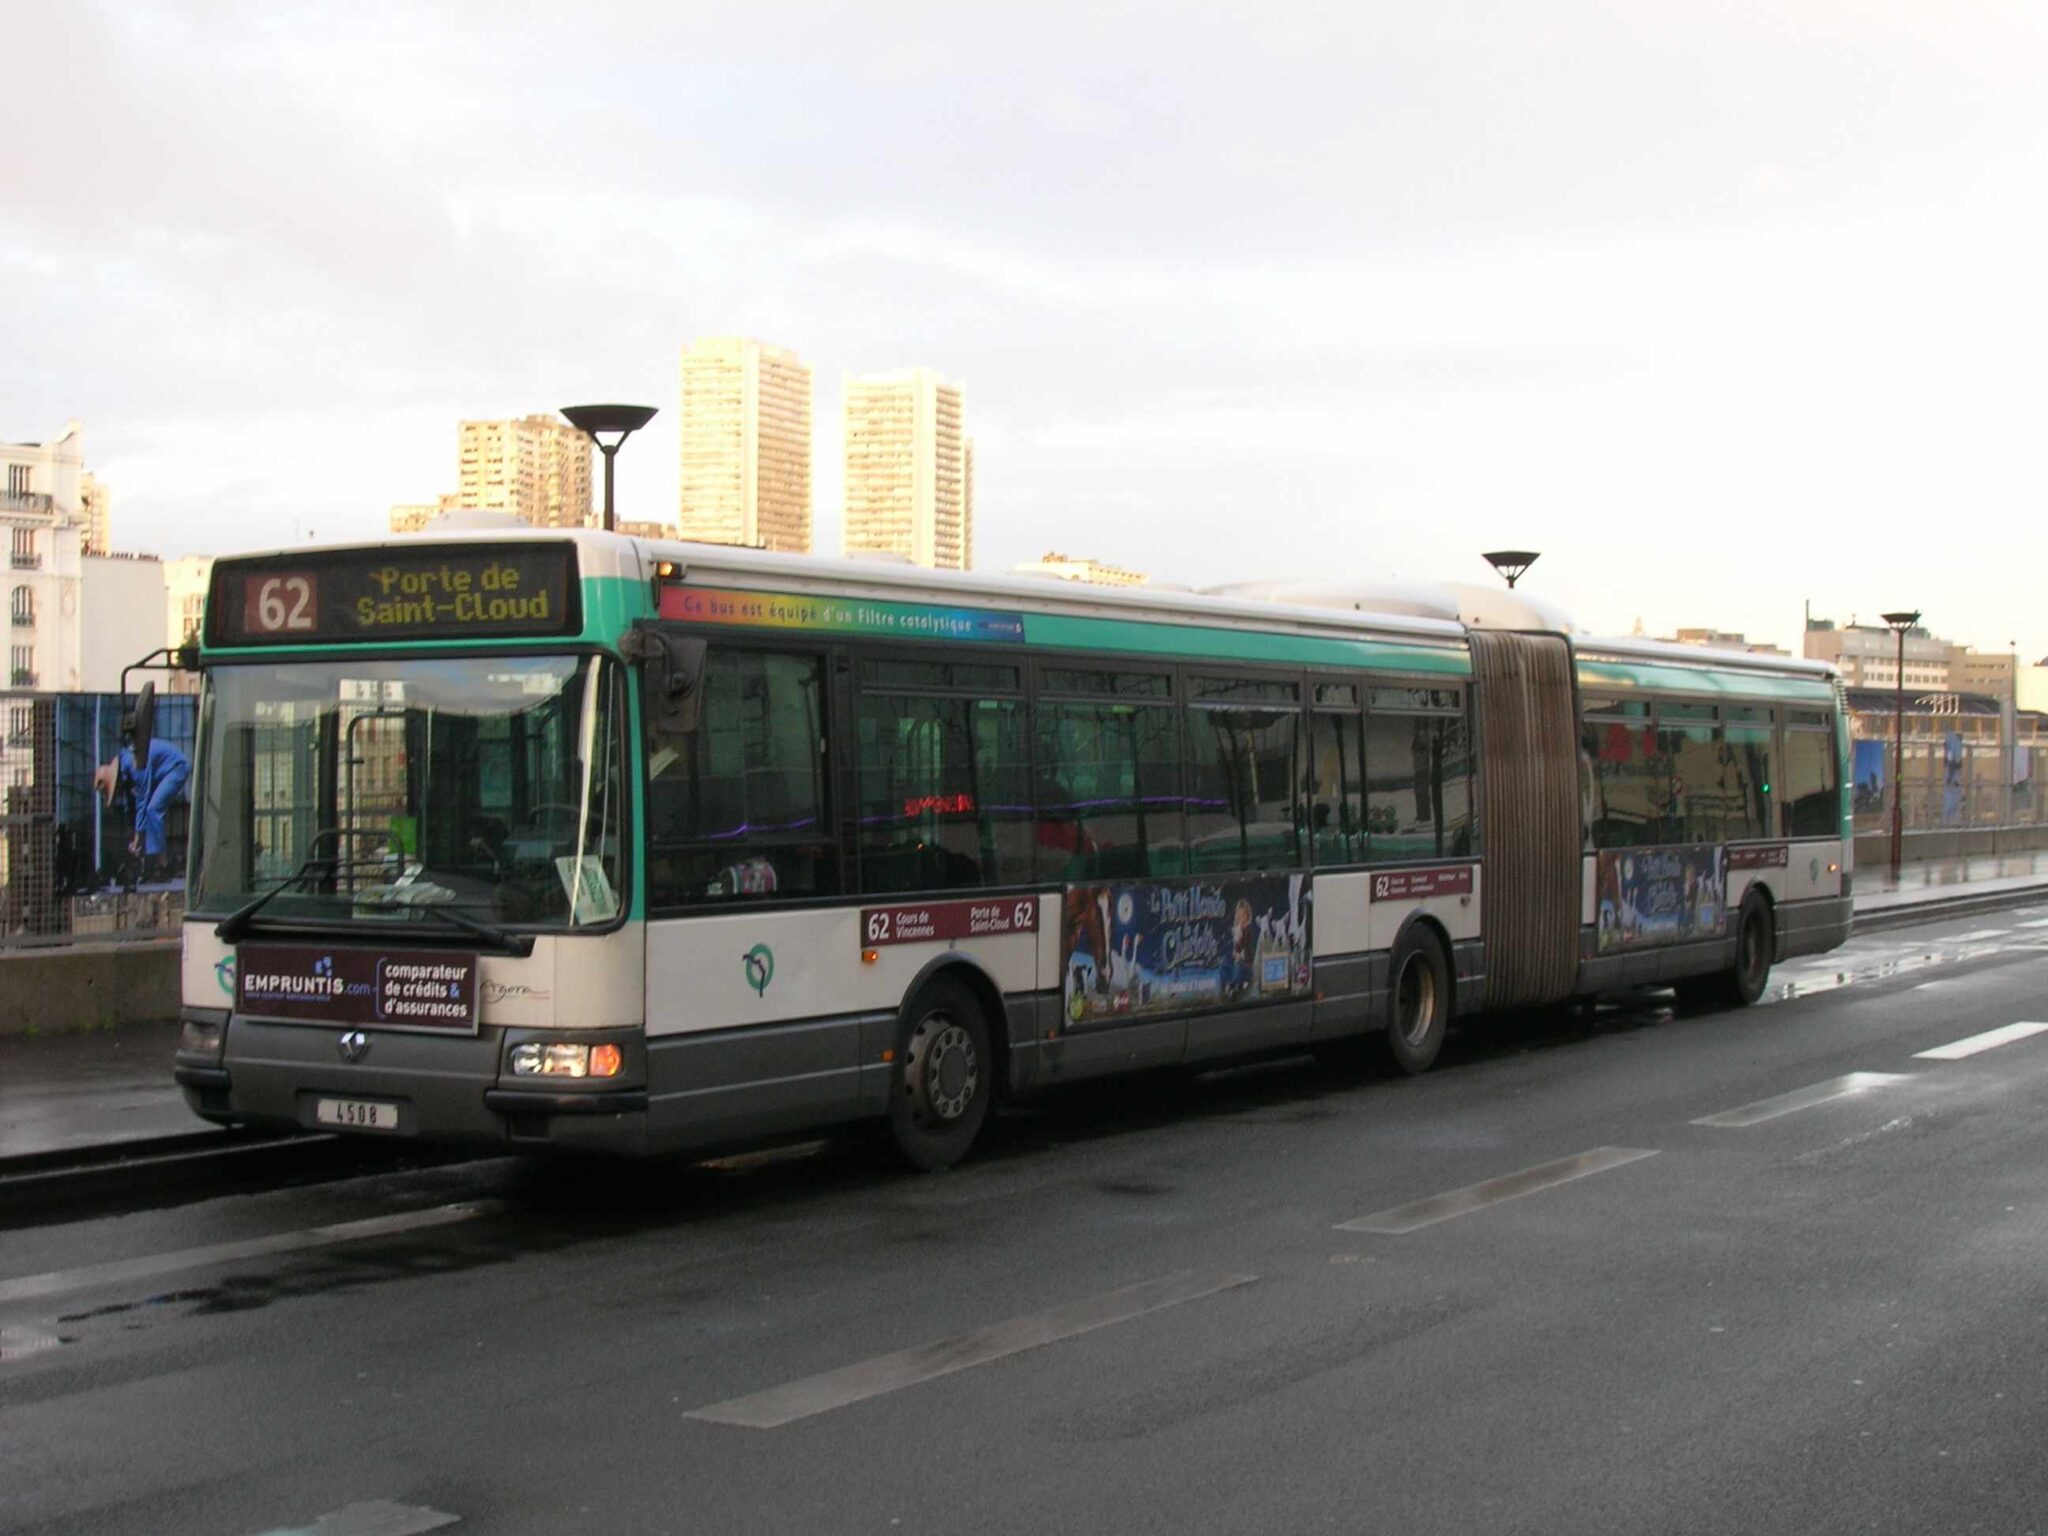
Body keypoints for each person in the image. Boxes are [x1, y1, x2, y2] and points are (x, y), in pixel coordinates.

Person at [93, 714, 190, 885]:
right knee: (149, 812)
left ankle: (162, 864)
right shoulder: (128, 766)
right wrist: (137, 836)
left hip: (176, 768)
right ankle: (156, 861)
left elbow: (143, 800)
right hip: (165, 772)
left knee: (153, 809)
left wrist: (138, 835)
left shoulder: (133, 764)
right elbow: (136, 807)